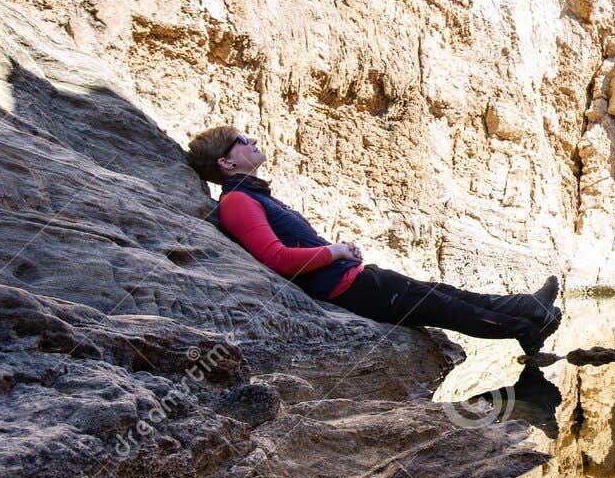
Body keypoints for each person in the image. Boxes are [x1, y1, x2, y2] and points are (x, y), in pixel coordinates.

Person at [186, 126, 561, 354]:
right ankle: (527, 328)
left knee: (444, 294)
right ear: (226, 163)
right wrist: (333, 251)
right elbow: (277, 258)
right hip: (345, 289)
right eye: (240, 140)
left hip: (353, 280)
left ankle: (529, 308)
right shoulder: (237, 200)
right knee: (447, 309)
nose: (251, 141)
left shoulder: (253, 195)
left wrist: (338, 253)